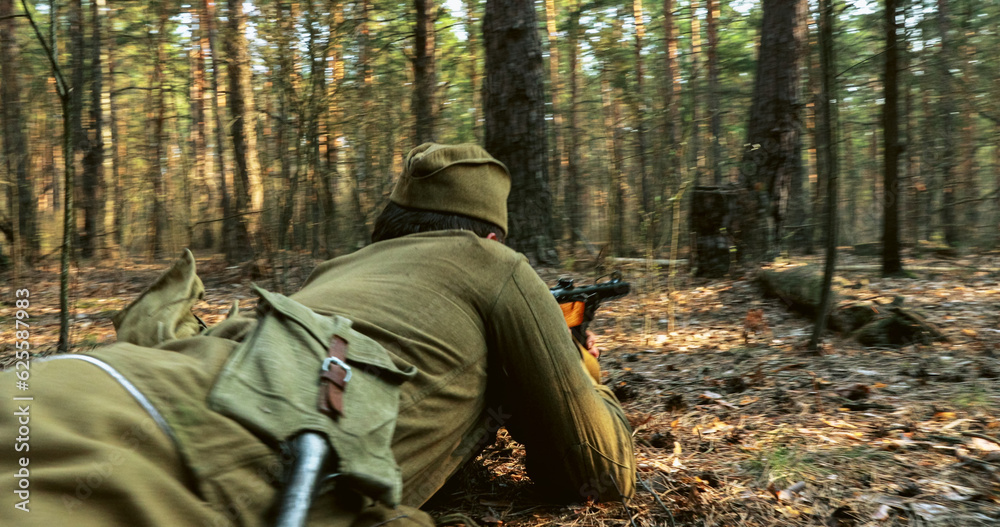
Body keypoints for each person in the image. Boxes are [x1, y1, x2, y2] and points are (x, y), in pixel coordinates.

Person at [1, 143, 635, 527]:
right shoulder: (494, 264)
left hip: (80, 385)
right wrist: (582, 365)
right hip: (200, 461)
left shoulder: (337, 270)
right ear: (491, 235)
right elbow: (600, 475)